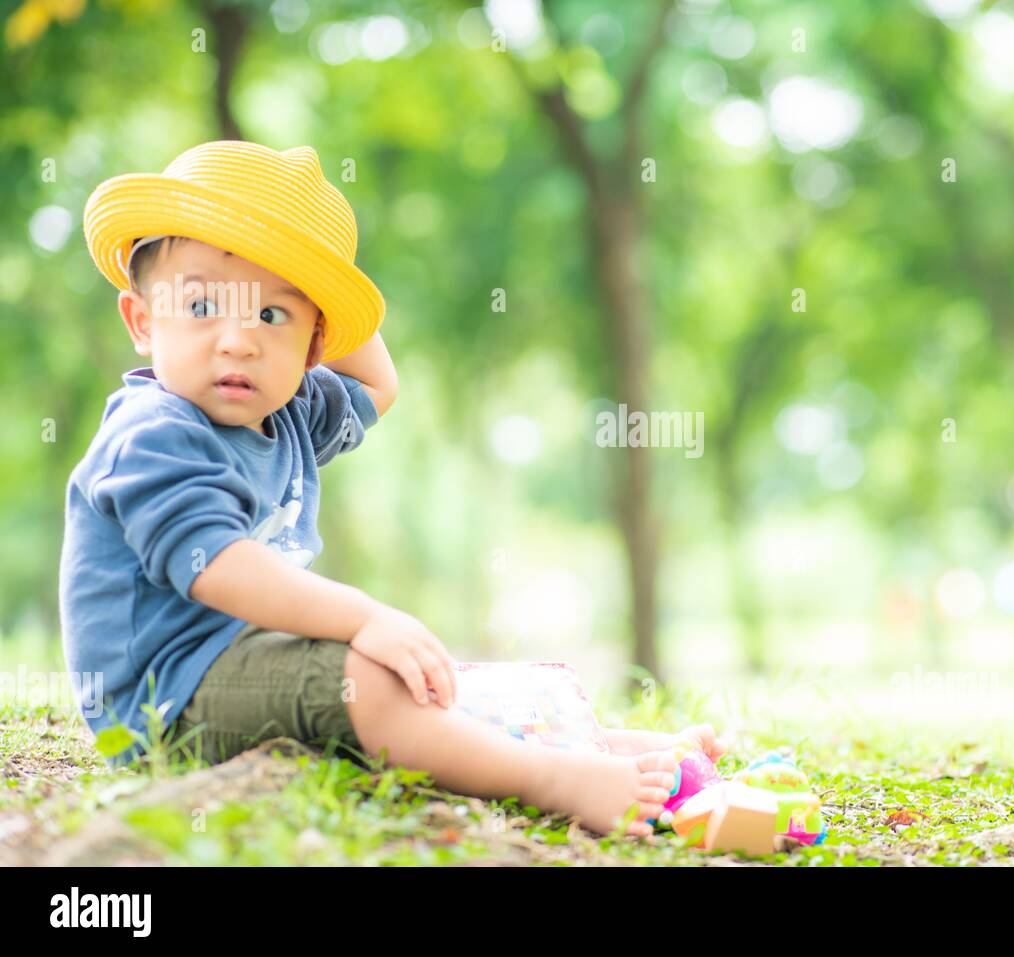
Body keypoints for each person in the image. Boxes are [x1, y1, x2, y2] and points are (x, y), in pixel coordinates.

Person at [61, 140, 723, 837]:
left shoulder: (282, 413)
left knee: (405, 674)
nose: (237, 341)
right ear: (142, 321)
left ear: (315, 344)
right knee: (370, 674)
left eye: (270, 316)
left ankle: (600, 748)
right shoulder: (153, 433)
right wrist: (364, 615)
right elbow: (219, 567)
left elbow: (378, 383)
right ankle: (556, 778)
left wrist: (322, 279)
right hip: (167, 700)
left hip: (258, 669)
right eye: (200, 305)